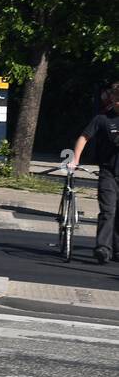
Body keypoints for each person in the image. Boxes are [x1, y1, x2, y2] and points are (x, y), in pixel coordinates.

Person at [68, 82, 119, 264]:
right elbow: (84, 137)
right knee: (108, 211)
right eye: (118, 98)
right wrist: (75, 159)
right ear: (112, 98)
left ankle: (117, 249)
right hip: (108, 172)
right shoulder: (102, 119)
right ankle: (103, 248)